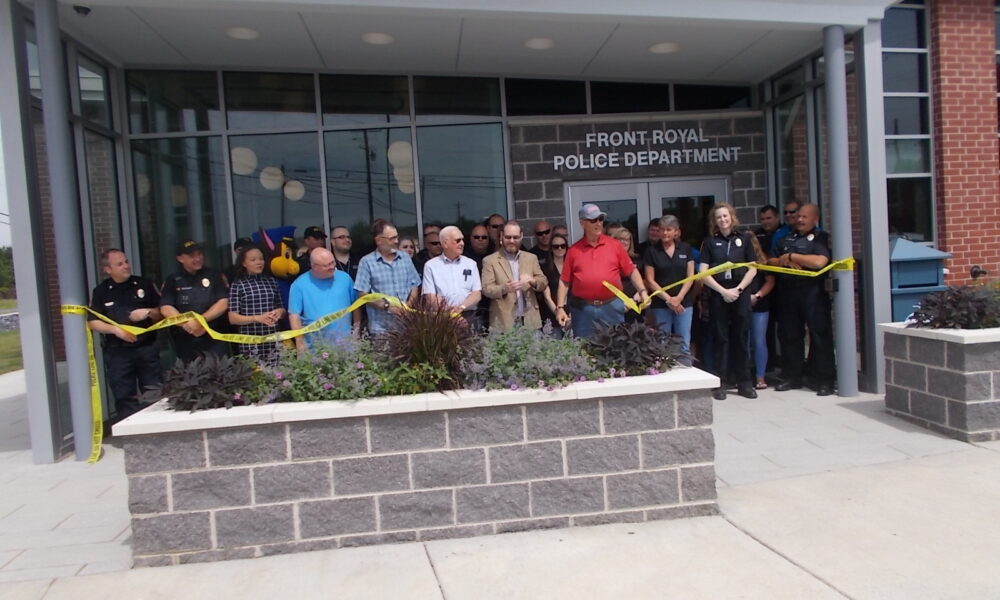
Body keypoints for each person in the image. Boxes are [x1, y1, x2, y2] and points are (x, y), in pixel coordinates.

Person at [768, 203, 835, 396]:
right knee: (790, 336)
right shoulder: (786, 237)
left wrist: (791, 256)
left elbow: (819, 261)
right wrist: (786, 260)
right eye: (798, 216)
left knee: (820, 335)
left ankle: (824, 380)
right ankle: (792, 377)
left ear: (815, 219)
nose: (799, 220)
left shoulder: (821, 238)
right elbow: (770, 260)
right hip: (788, 292)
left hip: (812, 293)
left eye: (804, 217)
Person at [87, 249, 162, 420]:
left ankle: (155, 432)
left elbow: (161, 313)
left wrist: (148, 312)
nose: (126, 266)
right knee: (124, 397)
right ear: (108, 269)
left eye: (126, 262)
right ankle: (132, 437)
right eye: (120, 264)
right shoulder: (101, 291)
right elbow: (92, 321)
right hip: (118, 352)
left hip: (146, 348)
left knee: (154, 392)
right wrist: (116, 330)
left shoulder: (144, 284)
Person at [556, 203, 648, 339]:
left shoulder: (615, 245)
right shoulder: (574, 250)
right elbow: (564, 281)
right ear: (582, 223)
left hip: (611, 306)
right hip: (583, 309)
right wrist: (560, 308)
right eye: (593, 220)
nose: (598, 223)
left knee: (615, 348)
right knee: (584, 349)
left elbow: (631, 271)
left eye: (600, 219)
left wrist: (643, 291)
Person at [699, 204, 757, 401]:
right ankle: (721, 383)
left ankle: (745, 383)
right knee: (721, 339)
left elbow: (752, 269)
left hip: (740, 293)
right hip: (719, 294)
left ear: (732, 217)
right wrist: (723, 291)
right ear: (714, 221)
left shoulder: (745, 239)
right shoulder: (709, 242)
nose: (722, 220)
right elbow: (703, 272)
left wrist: (739, 290)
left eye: (725, 216)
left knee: (742, 338)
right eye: (718, 217)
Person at [160, 240, 230, 362]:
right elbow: (166, 307)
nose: (197, 258)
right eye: (192, 256)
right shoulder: (173, 279)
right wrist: (188, 324)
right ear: (180, 258)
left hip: (214, 337)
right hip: (186, 339)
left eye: (199, 254)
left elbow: (223, 302)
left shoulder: (214, 275)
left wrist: (200, 321)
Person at [353, 220, 421, 335]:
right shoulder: (367, 262)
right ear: (378, 240)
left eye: (397, 237)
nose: (396, 241)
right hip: (381, 330)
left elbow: (414, 285)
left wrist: (409, 305)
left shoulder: (405, 258)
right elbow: (363, 294)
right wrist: (387, 306)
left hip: (406, 327)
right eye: (392, 238)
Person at [289, 248, 360, 352]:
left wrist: (356, 331)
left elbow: (356, 305)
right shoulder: (299, 285)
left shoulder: (345, 278)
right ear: (314, 266)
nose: (332, 267)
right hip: (316, 347)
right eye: (326, 265)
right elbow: (294, 315)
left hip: (346, 344)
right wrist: (299, 342)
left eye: (332, 262)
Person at [643, 215, 695, 358]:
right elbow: (650, 280)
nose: (665, 233)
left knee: (683, 342)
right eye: (662, 230)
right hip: (661, 304)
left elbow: (691, 276)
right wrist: (669, 299)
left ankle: (686, 374)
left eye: (669, 229)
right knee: (662, 342)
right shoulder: (651, 251)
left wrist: (679, 298)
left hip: (683, 303)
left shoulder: (685, 248)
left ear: (676, 231)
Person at [481, 221, 547, 330]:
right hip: (503, 320)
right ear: (501, 236)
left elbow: (543, 282)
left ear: (521, 237)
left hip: (530, 319)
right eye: (508, 237)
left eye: (515, 237)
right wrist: (504, 289)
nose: (512, 241)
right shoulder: (490, 260)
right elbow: (486, 289)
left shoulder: (531, 258)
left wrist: (533, 281)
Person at [228, 245, 284, 366]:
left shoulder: (271, 281)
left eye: (261, 259)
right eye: (253, 260)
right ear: (243, 263)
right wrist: (257, 318)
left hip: (273, 339)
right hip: (250, 341)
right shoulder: (238, 285)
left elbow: (281, 308)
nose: (259, 263)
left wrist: (279, 312)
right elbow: (232, 318)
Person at [422, 225, 482, 326]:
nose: (462, 243)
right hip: (443, 317)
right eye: (457, 240)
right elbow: (430, 297)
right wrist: (451, 314)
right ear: (445, 243)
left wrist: (461, 307)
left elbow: (477, 294)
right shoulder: (431, 266)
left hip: (468, 316)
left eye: (462, 240)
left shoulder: (471, 264)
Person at [747, 236, 776, 389]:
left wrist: (757, 296)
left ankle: (760, 377)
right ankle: (744, 375)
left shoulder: (763, 262)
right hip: (740, 305)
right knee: (743, 341)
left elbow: (770, 281)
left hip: (759, 305)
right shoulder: (738, 261)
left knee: (759, 341)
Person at [610, 227, 644, 325]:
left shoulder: (637, 260)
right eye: (620, 239)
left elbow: (644, 282)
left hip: (634, 304)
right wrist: (620, 302)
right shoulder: (608, 260)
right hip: (613, 305)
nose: (624, 242)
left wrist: (634, 299)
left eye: (627, 239)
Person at [539, 233, 570, 336]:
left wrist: (571, 315)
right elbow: (547, 297)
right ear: (551, 249)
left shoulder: (573, 267)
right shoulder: (545, 268)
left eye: (563, 246)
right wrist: (558, 313)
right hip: (552, 314)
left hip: (572, 313)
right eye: (556, 246)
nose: (560, 248)